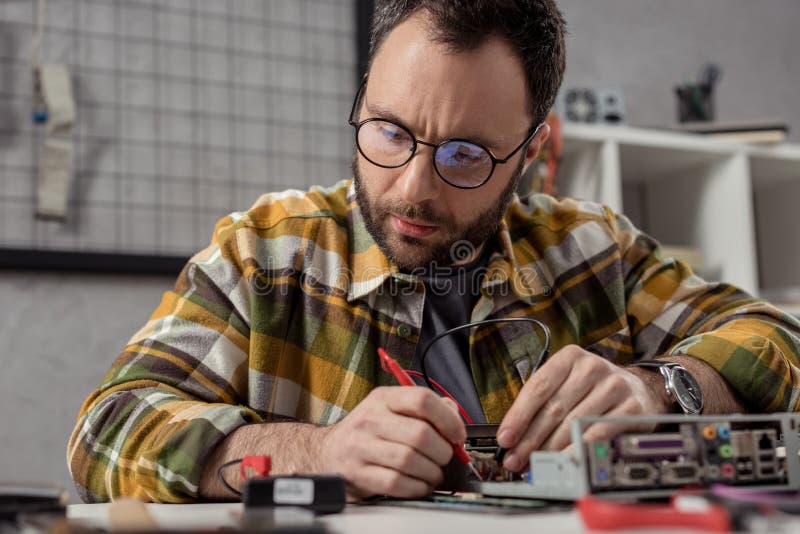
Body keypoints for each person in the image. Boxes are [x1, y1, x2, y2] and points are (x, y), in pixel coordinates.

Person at [68, 0, 800, 503]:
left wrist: (659, 388)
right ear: (363, 97)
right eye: (388, 131)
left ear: (531, 152)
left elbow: (779, 339)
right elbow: (106, 431)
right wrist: (311, 454)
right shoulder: (265, 254)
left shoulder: (591, 250)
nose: (412, 188)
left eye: (465, 153)